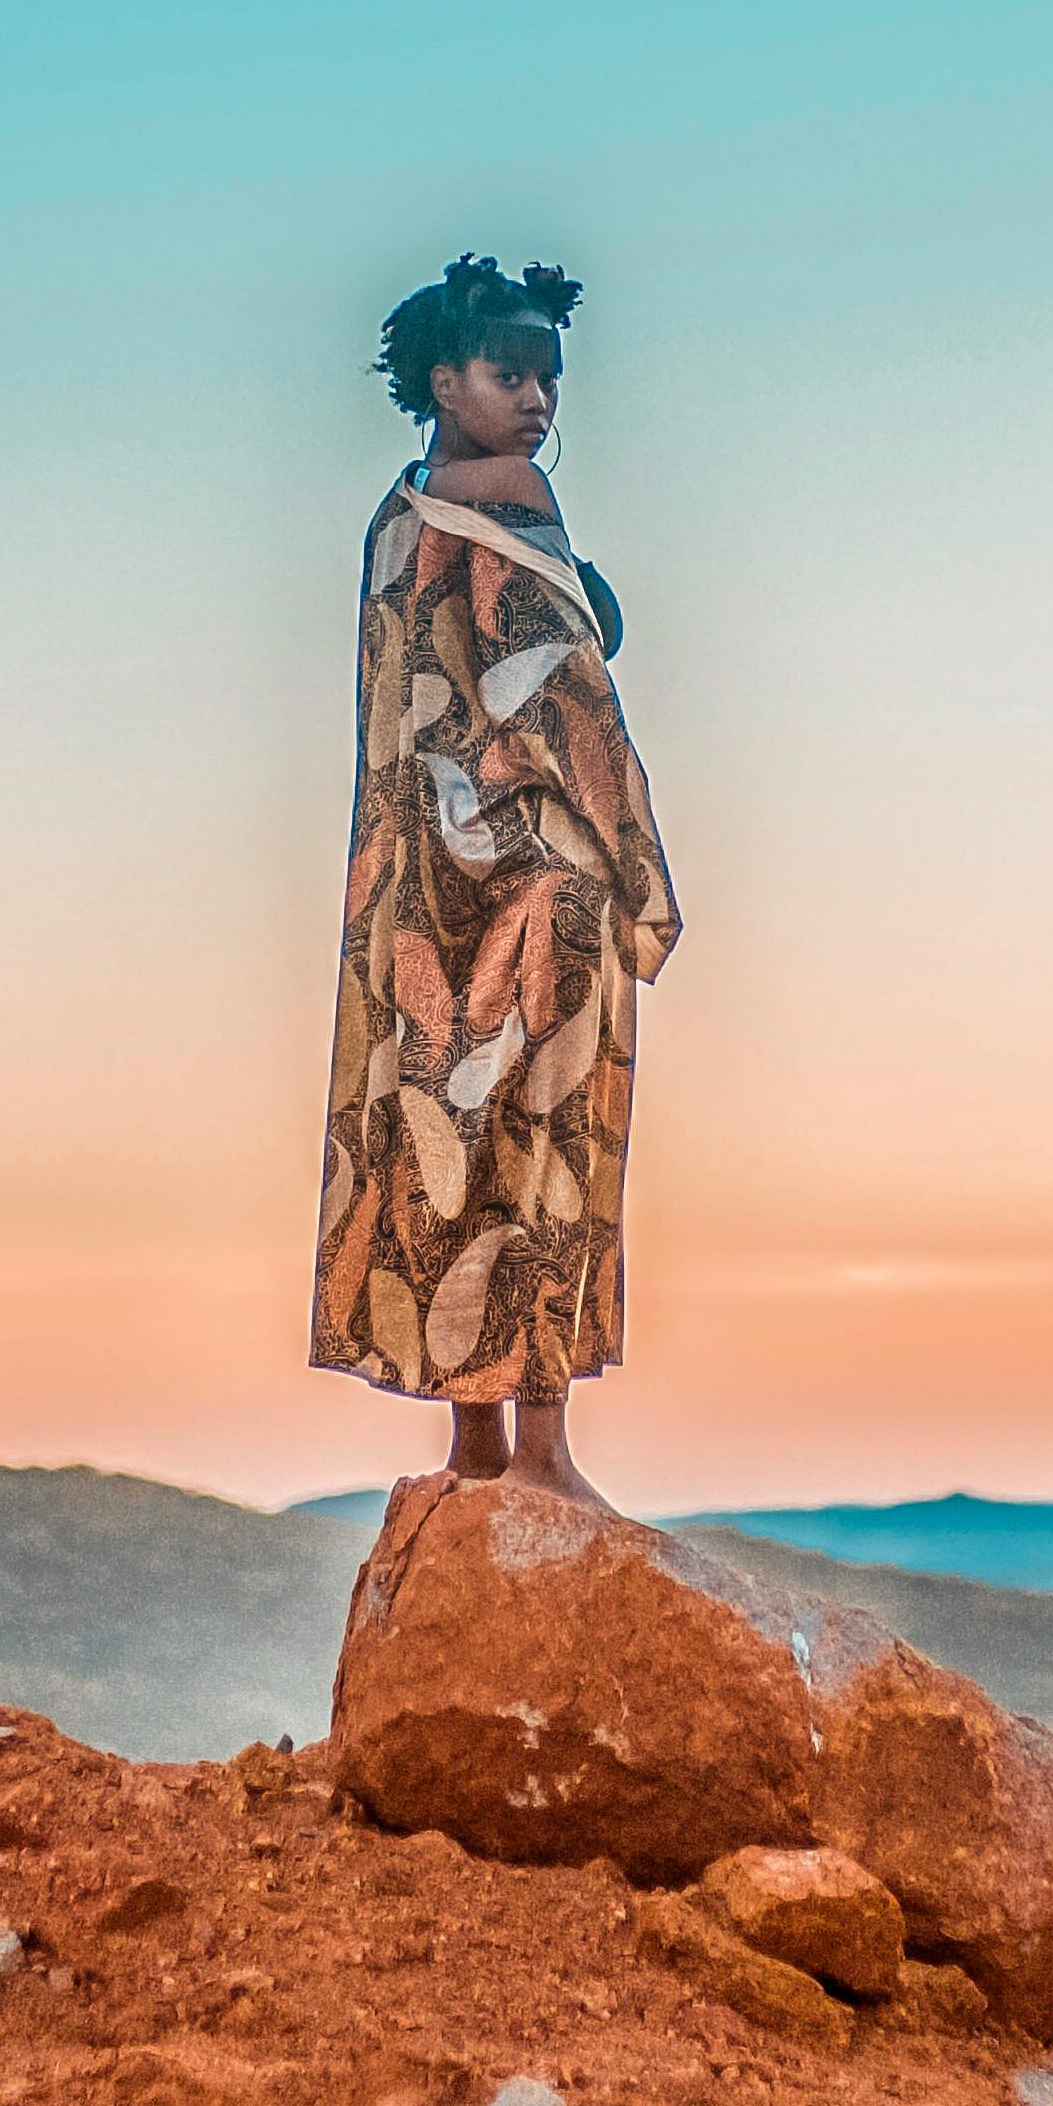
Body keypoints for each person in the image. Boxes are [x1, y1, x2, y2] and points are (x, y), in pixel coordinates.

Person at [307, 253, 679, 1505]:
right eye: (509, 374)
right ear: (441, 376)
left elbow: (407, 710)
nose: (536, 404)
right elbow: (567, 700)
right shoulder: (508, 499)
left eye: (546, 382)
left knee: (448, 1135)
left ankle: (470, 1451)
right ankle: (545, 1455)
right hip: (538, 885)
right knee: (547, 1141)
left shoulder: (393, 521)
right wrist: (636, 870)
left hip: (424, 885)